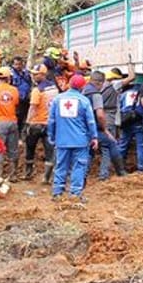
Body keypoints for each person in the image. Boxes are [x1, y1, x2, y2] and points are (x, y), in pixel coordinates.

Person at [48, 73, 98, 201]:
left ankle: (57, 193)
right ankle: (75, 193)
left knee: (61, 165)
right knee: (79, 166)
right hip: (80, 141)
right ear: (82, 87)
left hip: (62, 140)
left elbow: (51, 120)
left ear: (69, 84)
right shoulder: (84, 101)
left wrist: (51, 136)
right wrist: (94, 137)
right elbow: (91, 122)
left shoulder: (57, 99)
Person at [88, 69, 125, 180]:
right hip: (97, 126)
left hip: (85, 128)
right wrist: (105, 130)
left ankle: (82, 176)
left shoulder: (84, 91)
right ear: (100, 82)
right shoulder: (96, 94)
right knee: (110, 144)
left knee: (89, 151)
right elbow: (100, 115)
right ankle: (117, 173)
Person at [0, 67, 21, 185]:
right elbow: (16, 103)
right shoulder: (14, 90)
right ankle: (13, 174)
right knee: (13, 149)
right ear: (9, 78)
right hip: (12, 122)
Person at [22, 72, 56, 180]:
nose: (33, 76)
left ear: (43, 75)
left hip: (36, 124)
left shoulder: (37, 90)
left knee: (30, 148)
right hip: (50, 123)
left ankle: (28, 173)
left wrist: (27, 123)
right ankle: (47, 177)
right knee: (49, 150)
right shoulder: (54, 88)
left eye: (36, 74)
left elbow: (32, 108)